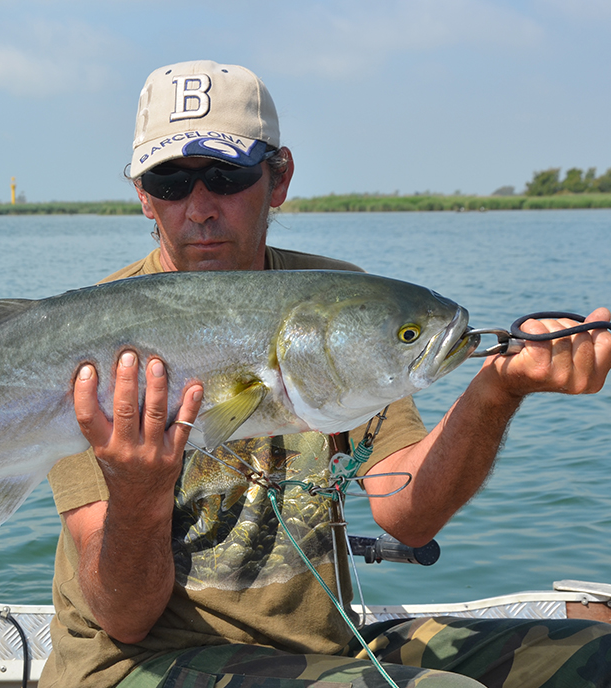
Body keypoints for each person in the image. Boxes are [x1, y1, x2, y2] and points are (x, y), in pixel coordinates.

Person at [38, 60, 611, 688]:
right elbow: (123, 617)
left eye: (226, 175)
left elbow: (406, 513)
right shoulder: (85, 342)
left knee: (596, 656)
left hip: (322, 648)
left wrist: (498, 389)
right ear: (143, 196)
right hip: (131, 664)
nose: (199, 208)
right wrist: (139, 490)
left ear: (278, 177)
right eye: (170, 181)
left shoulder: (345, 307)